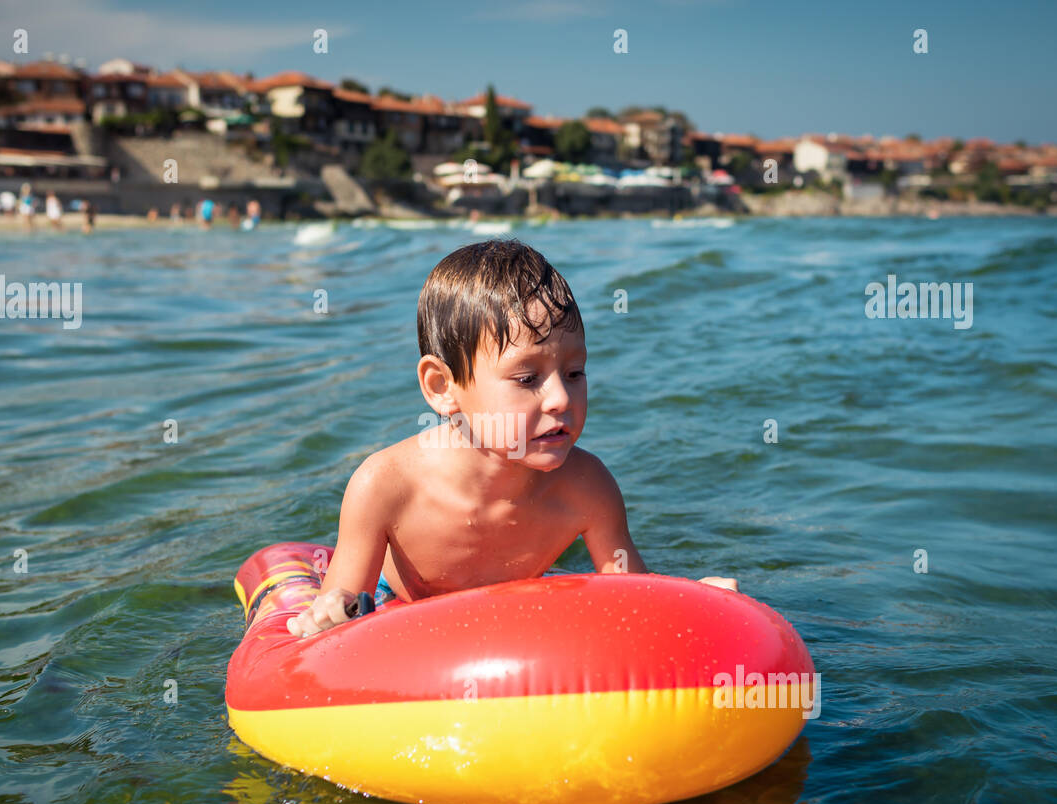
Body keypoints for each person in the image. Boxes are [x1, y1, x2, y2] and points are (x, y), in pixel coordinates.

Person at [287, 239, 737, 637]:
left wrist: (691, 599)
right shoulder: (386, 487)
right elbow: (345, 603)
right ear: (443, 388)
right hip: (401, 601)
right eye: (527, 378)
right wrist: (333, 610)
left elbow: (632, 594)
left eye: (575, 372)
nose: (562, 398)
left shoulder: (587, 486)